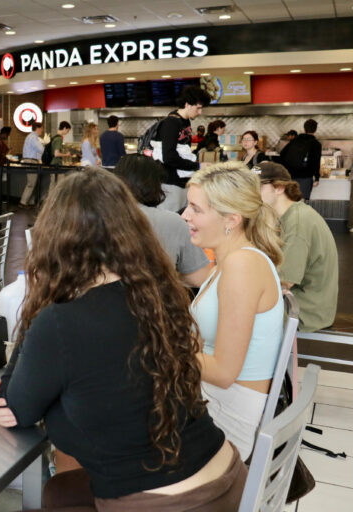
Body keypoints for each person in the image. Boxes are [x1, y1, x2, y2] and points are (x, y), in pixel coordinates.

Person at [0, 167, 246, 511]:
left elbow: (15, 408)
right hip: (227, 478)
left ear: (54, 238)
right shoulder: (160, 296)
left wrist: (44, 298)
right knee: (60, 491)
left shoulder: (61, 321)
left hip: (171, 503)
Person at [182, 162, 284, 461]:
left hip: (225, 418)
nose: (185, 216)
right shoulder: (229, 262)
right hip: (212, 400)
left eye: (195, 209)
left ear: (232, 219)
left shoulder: (242, 265)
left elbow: (225, 373)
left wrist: (157, 348)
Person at [259, 161, 338, 332]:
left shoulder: (298, 222)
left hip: (305, 311)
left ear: (279, 188)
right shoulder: (288, 216)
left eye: (258, 187)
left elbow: (285, 281)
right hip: (302, 302)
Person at [112, 155, 212, 287]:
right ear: (156, 184)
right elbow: (200, 278)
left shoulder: (96, 220)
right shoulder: (172, 222)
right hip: (156, 303)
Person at [151, 86, 212, 212]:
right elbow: (169, 156)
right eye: (198, 108)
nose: (200, 112)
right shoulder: (171, 122)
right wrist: (198, 166)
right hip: (170, 182)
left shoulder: (185, 122)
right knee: (170, 221)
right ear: (187, 104)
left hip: (183, 181)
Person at [280, 119, 322, 200]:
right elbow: (316, 162)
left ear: (304, 128)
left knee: (290, 201)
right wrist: (317, 177)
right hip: (305, 178)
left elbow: (282, 154)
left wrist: (286, 170)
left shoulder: (294, 141)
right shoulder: (316, 144)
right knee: (301, 202)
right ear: (315, 130)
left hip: (291, 176)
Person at [19, 122, 45, 208]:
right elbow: (41, 149)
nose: (42, 130)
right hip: (31, 161)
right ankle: (23, 202)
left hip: (29, 161)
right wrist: (44, 144)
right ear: (37, 128)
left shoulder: (30, 136)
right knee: (31, 183)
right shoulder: (34, 138)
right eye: (41, 128)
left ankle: (30, 202)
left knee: (32, 182)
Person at [48, 121, 72, 190]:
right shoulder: (59, 139)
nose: (67, 132)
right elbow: (56, 154)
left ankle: (51, 199)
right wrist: (66, 154)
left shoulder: (55, 137)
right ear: (64, 128)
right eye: (68, 130)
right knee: (59, 184)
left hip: (52, 164)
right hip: (56, 164)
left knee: (53, 183)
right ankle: (55, 199)